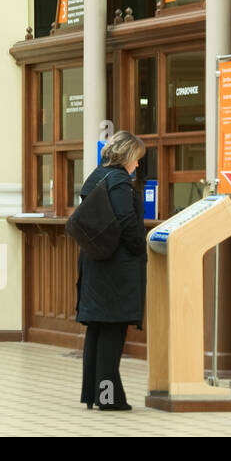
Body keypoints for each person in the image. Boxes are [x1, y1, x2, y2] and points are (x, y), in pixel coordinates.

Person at [77, 130, 148, 411]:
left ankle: (94, 395)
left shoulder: (96, 176)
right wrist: (139, 248)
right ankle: (108, 398)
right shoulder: (119, 181)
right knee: (112, 330)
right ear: (128, 155)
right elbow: (126, 221)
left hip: (95, 262)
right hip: (115, 267)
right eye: (137, 159)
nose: (138, 165)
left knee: (97, 328)